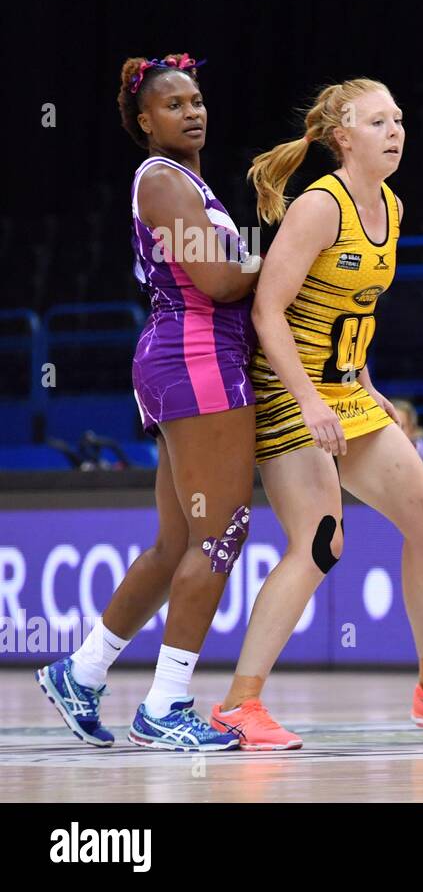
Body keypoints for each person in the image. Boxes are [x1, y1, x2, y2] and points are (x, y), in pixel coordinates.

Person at [210, 78, 423, 749]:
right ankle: (238, 704)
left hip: (343, 388)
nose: (395, 130)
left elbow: (355, 306)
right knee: (321, 540)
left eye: (399, 119)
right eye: (379, 121)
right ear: (344, 137)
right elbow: (268, 312)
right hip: (291, 390)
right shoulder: (321, 205)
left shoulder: (393, 208)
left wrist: (364, 381)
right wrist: (313, 399)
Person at [37, 53, 261, 752]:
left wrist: (254, 255)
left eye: (196, 99)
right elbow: (219, 279)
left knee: (175, 543)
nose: (191, 110)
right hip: (197, 361)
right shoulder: (162, 180)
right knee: (219, 535)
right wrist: (278, 255)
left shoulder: (184, 181)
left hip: (181, 360)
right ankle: (166, 704)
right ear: (144, 121)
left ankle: (82, 669)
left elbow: (223, 267)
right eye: (173, 104)